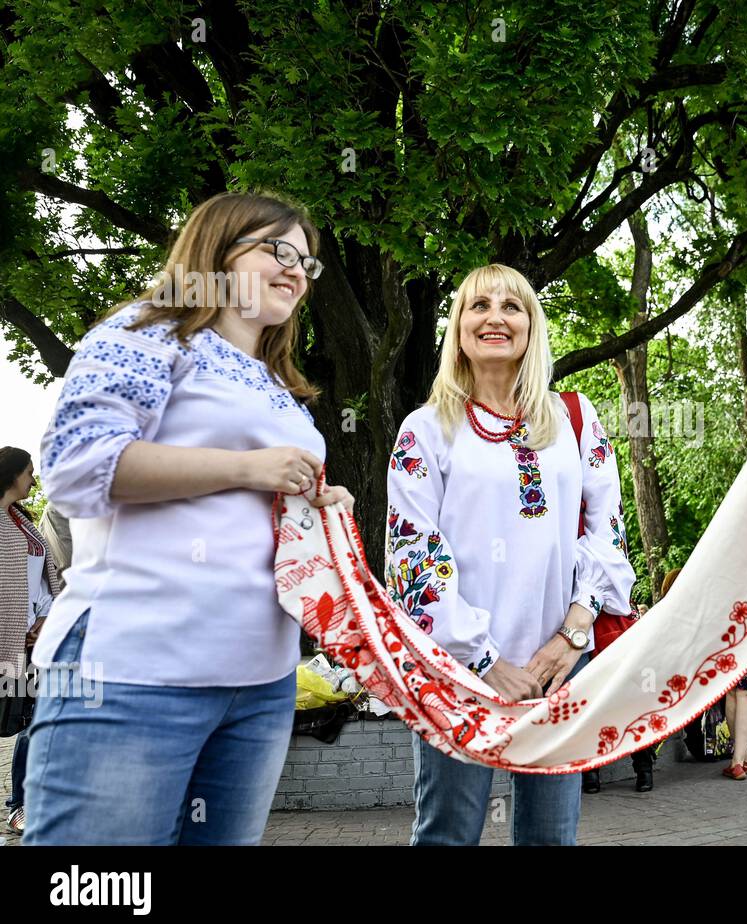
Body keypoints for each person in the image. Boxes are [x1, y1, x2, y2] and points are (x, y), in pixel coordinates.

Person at [23, 192, 353, 845]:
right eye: (276, 249)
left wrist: (315, 504)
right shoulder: (146, 334)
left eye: (306, 261)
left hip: (261, 684)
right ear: (215, 249)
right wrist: (247, 468)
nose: (295, 268)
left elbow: (256, 492)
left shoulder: (281, 387)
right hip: (134, 667)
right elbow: (77, 467)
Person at [387, 263, 634, 846]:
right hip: (457, 671)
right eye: (479, 305)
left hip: (559, 669)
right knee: (449, 832)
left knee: (551, 838)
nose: (495, 317)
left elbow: (608, 528)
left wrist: (573, 634)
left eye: (512, 306)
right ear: (458, 327)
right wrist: (482, 659)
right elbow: (413, 551)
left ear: (531, 325)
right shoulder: (426, 429)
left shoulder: (575, 420)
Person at [0, 448, 63, 835]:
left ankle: (21, 804)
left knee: (33, 719)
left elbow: (43, 578)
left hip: (34, 642)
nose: (33, 480)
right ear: (11, 475)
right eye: (28, 473)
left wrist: (44, 617)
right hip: (8, 640)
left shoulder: (22, 520)